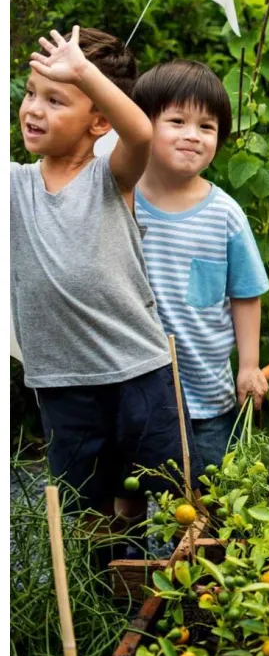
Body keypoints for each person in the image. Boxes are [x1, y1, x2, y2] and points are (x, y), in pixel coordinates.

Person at [12, 26, 199, 521]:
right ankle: (114, 593)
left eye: (55, 99)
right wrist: (68, 81)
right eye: (31, 94)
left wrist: (84, 72)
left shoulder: (109, 175)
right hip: (61, 381)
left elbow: (138, 130)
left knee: (181, 494)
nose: (33, 109)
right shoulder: (16, 184)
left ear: (97, 121)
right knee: (88, 506)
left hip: (137, 369)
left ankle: (199, 589)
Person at [132, 61, 269, 470]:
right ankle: (131, 537)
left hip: (206, 392)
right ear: (142, 125)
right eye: (176, 121)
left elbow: (245, 293)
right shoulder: (123, 203)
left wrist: (248, 366)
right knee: (134, 486)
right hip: (136, 388)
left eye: (207, 127)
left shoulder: (224, 214)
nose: (192, 135)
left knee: (210, 489)